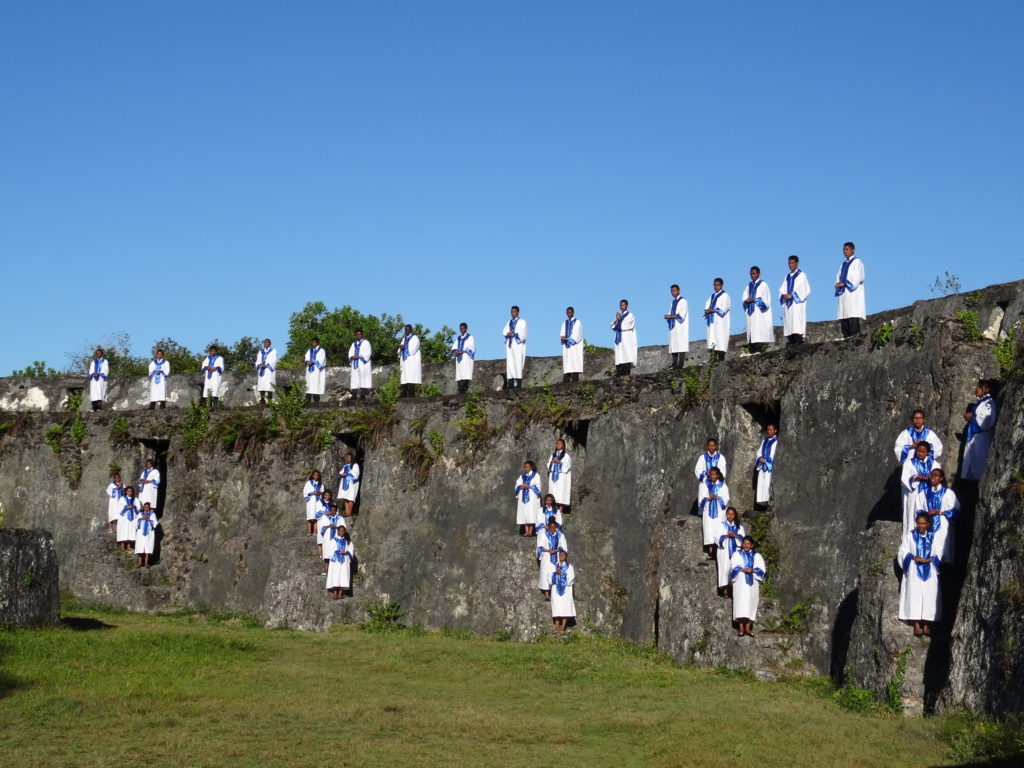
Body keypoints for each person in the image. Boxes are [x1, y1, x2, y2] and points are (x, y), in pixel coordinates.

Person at [898, 512, 946, 636]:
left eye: (923, 523)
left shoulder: (934, 536)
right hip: (914, 569)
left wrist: (927, 560)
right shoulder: (910, 536)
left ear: (928, 524)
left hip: (930, 569)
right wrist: (912, 557)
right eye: (918, 523)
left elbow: (939, 552)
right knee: (914, 595)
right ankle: (916, 624)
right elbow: (902, 551)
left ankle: (926, 624)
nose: (920, 526)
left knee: (929, 595)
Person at [917, 468, 959, 563]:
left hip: (943, 524)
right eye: (932, 475)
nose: (933, 477)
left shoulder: (948, 493)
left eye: (936, 475)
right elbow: (918, 509)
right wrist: (926, 514)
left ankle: (944, 566)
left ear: (941, 478)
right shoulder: (923, 493)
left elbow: (956, 509)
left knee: (943, 548)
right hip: (928, 525)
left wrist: (940, 512)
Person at [730, 536, 767, 637]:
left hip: (752, 583)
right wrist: (743, 569)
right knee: (740, 603)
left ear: (752, 545)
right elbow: (734, 567)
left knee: (751, 602)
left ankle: (748, 627)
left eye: (748, 543)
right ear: (741, 544)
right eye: (744, 543)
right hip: (740, 582)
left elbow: (762, 569)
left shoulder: (757, 556)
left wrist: (753, 570)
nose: (746, 545)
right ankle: (741, 627)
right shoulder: (736, 554)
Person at [961, 379, 997, 480]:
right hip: (976, 436)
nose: (976, 389)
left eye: (979, 387)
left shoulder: (989, 403)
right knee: (973, 459)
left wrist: (972, 417)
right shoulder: (982, 402)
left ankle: (978, 482)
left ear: (986, 389)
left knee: (980, 460)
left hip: (982, 437)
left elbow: (987, 420)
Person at [900, 442, 939, 533]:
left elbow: (938, 477)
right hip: (914, 492)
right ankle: (911, 535)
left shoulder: (934, 464)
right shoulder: (909, 463)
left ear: (928, 452)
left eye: (923, 451)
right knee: (912, 513)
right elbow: (904, 478)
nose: (920, 453)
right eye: (918, 451)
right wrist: (915, 478)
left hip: (928, 491)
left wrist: (930, 479)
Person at [835, 242, 866, 338]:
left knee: (852, 315)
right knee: (844, 318)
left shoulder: (857, 262)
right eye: (844, 249)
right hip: (843, 294)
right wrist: (837, 283)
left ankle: (855, 339)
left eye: (847, 249)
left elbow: (857, 278)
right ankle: (846, 337)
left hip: (852, 295)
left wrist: (844, 283)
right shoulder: (843, 264)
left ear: (853, 250)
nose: (845, 251)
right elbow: (838, 276)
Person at [699, 467, 730, 560]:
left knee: (718, 530)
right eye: (711, 475)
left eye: (714, 475)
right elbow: (701, 500)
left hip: (719, 513)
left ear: (718, 475)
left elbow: (726, 499)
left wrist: (716, 498)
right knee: (709, 532)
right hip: (708, 513)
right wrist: (708, 498)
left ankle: (718, 553)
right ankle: (711, 553)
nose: (712, 476)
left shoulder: (723, 486)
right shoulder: (705, 485)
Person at [779, 255, 811, 344]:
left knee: (796, 322)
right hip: (788, 305)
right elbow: (781, 289)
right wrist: (784, 295)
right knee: (789, 323)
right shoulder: (787, 277)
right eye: (789, 263)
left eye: (792, 263)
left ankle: (798, 339)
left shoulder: (801, 275)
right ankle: (791, 340)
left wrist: (792, 295)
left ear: (797, 263)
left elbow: (805, 289)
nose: (790, 265)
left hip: (797, 304)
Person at [742, 266, 773, 353]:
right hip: (751, 313)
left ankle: (759, 349)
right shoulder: (748, 286)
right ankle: (752, 349)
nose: (752, 275)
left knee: (759, 331)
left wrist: (754, 300)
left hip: (759, 313)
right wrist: (746, 300)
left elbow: (766, 301)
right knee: (751, 332)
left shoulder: (763, 285)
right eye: (751, 274)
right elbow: (744, 299)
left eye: (754, 273)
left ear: (758, 274)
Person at [716, 507, 745, 597]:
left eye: (732, 514)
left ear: (734, 515)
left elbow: (743, 539)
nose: (730, 516)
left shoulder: (739, 527)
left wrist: (735, 535)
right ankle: (724, 590)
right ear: (726, 515)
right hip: (724, 551)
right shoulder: (721, 526)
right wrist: (727, 535)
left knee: (734, 568)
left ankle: (733, 589)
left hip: (736, 550)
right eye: (729, 514)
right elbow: (717, 537)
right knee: (725, 569)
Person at [536, 518, 568, 599]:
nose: (553, 529)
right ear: (549, 527)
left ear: (556, 527)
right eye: (551, 528)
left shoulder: (560, 535)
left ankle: (553, 593)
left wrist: (556, 550)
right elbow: (539, 546)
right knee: (545, 574)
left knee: (555, 573)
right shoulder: (543, 534)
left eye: (554, 528)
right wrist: (548, 550)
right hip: (546, 557)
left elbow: (563, 546)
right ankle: (546, 594)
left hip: (557, 556)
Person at [549, 550, 576, 636]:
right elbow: (549, 578)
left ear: (566, 557)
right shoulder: (554, 566)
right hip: (556, 590)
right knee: (556, 607)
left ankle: (563, 627)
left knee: (565, 608)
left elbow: (571, 578)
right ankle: (557, 627)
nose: (561, 556)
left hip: (566, 590)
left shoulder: (569, 567)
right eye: (560, 555)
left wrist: (561, 574)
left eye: (563, 555)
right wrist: (555, 574)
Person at [703, 278, 731, 361]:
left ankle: (721, 357)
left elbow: (724, 309)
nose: (716, 286)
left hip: (720, 321)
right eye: (714, 285)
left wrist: (713, 310)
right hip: (712, 321)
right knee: (712, 338)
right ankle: (713, 358)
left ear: (721, 285)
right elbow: (707, 305)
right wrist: (707, 310)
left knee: (720, 337)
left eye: (717, 285)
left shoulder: (725, 295)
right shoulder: (712, 296)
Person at [325, 523, 354, 600]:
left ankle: (340, 592)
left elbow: (350, 551)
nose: (341, 532)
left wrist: (346, 552)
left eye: (342, 530)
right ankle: (335, 592)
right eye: (340, 530)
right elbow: (329, 551)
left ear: (344, 532)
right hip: (336, 560)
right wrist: (336, 552)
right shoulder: (333, 541)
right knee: (336, 575)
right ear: (337, 531)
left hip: (344, 560)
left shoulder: (347, 542)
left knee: (343, 576)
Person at [514, 460, 542, 537]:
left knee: (531, 513)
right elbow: (517, 485)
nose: (525, 468)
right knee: (524, 513)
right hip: (523, 497)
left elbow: (538, 487)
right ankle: (526, 531)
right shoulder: (522, 476)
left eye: (527, 467)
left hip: (532, 498)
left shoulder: (536, 476)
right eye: (525, 467)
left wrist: (529, 486)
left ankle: (531, 531)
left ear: (531, 467)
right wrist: (521, 486)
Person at [502, 306, 528, 388]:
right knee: (510, 362)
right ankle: (511, 382)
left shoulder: (522, 322)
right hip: (510, 344)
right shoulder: (509, 322)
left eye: (514, 312)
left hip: (517, 344)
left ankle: (518, 382)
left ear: (518, 312)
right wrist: (508, 333)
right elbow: (504, 331)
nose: (512, 313)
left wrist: (513, 333)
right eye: (511, 312)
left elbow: (523, 333)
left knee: (518, 361)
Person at [664, 284, 689, 369]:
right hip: (673, 326)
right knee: (674, 344)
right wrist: (667, 316)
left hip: (680, 326)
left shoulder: (683, 301)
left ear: (678, 291)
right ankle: (674, 364)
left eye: (674, 290)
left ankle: (680, 365)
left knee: (681, 345)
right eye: (671, 291)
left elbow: (682, 315)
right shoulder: (673, 302)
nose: (673, 292)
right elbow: (670, 312)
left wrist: (671, 316)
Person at [611, 299, 637, 376]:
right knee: (619, 354)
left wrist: (619, 319)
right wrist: (617, 319)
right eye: (620, 305)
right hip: (619, 337)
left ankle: (626, 372)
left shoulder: (630, 315)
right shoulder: (619, 316)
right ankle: (619, 372)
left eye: (623, 305)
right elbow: (613, 326)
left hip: (626, 337)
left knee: (626, 353)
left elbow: (626, 325)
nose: (621, 307)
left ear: (627, 306)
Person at [754, 424, 778, 508]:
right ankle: (761, 503)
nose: (768, 432)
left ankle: (767, 502)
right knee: (761, 483)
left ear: (775, 430)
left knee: (768, 484)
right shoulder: (764, 441)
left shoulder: (776, 441)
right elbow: (759, 452)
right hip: (762, 465)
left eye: (771, 430)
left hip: (770, 466)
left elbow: (774, 454)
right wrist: (760, 458)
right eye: (768, 430)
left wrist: (767, 461)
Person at [547, 439, 572, 515]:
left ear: (563, 446)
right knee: (553, 493)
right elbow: (548, 466)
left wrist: (559, 462)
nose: (558, 445)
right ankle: (553, 510)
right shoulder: (553, 455)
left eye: (560, 443)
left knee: (561, 493)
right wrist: (552, 462)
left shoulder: (566, 456)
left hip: (561, 478)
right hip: (554, 477)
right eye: (557, 443)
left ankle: (560, 511)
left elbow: (567, 467)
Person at [320, 503, 345, 575]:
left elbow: (343, 528)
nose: (332, 512)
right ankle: (326, 570)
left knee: (334, 553)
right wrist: (328, 526)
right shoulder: (326, 517)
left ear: (336, 511)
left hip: (336, 539)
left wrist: (335, 526)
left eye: (334, 510)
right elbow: (322, 528)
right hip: (327, 539)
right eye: (331, 510)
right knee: (326, 554)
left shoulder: (340, 518)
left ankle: (333, 571)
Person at [560, 307, 584, 382]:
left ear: (573, 312)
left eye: (570, 312)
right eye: (567, 312)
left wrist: (567, 339)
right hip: (566, 347)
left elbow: (577, 336)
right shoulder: (564, 323)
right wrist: (563, 338)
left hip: (574, 347)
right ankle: (566, 379)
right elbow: (562, 334)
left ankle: (575, 379)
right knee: (567, 362)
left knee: (574, 361)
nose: (569, 314)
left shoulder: (577, 322)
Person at [397, 324, 421, 398]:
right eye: (405, 330)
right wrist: (400, 348)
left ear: (411, 330)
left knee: (411, 377)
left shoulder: (415, 338)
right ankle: (403, 393)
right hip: (404, 361)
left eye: (407, 330)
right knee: (404, 377)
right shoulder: (404, 339)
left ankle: (411, 394)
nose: (406, 331)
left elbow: (412, 350)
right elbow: (399, 350)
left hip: (411, 361)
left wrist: (404, 347)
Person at [450, 323, 475, 393]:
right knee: (459, 374)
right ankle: (460, 390)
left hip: (466, 358)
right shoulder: (458, 338)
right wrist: (456, 351)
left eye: (463, 328)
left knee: (465, 373)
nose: (462, 330)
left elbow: (471, 348)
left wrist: (462, 351)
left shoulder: (470, 337)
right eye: (460, 328)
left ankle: (465, 389)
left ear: (466, 328)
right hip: (459, 359)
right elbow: (454, 347)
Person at [348, 329, 372, 400]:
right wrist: (352, 356)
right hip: (355, 363)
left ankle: (363, 395)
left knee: (363, 378)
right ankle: (354, 395)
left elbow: (368, 353)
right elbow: (350, 352)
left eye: (359, 334)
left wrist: (359, 357)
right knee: (354, 378)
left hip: (362, 364)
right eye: (357, 335)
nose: (358, 336)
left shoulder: (366, 343)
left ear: (362, 335)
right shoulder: (353, 344)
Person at [134, 502, 159, 568]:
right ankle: (140, 562)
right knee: (140, 547)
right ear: (143, 508)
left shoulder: (152, 514)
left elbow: (155, 523)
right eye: (145, 507)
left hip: (149, 534)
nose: (146, 508)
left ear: (149, 508)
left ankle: (146, 563)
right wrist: (141, 519)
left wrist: (148, 519)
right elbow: (136, 523)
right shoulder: (140, 514)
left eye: (147, 507)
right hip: (141, 534)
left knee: (148, 548)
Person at [337, 453, 360, 518]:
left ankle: (349, 512)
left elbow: (355, 475)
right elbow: (341, 472)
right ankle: (346, 512)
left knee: (350, 498)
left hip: (352, 484)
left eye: (348, 458)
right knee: (345, 498)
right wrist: (341, 474)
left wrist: (346, 474)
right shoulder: (345, 465)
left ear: (351, 458)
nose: (347, 459)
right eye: (346, 458)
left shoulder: (355, 465)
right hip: (345, 483)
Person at [255, 338, 277, 405]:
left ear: (270, 343)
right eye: (264, 342)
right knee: (262, 385)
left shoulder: (273, 351)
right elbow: (258, 360)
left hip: (268, 370)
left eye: (267, 342)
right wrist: (260, 365)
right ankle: (262, 400)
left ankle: (270, 401)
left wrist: (267, 365)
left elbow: (274, 360)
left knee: (269, 385)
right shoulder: (261, 351)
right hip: (262, 370)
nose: (266, 344)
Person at [304, 338, 326, 403]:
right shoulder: (309, 350)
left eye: (315, 342)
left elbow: (322, 360)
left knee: (316, 383)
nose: (313, 344)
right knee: (309, 383)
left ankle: (316, 399)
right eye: (312, 342)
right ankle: (307, 399)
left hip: (316, 370)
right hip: (309, 369)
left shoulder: (321, 350)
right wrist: (307, 362)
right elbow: (306, 358)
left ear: (317, 343)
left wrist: (313, 362)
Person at [303, 470, 324, 536]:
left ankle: (315, 531)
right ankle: (309, 531)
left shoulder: (320, 484)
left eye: (317, 475)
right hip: (311, 501)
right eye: (315, 475)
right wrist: (312, 493)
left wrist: (319, 493)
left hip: (318, 501)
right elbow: (305, 492)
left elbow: (323, 492)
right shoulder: (308, 483)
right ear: (312, 475)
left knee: (316, 516)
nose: (316, 476)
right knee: (310, 516)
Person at [117, 487, 139, 551]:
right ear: (126, 492)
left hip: (132, 516)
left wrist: (134, 507)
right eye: (128, 491)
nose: (130, 492)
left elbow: (138, 506)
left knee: (131, 530)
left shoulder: (135, 499)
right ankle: (122, 545)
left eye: (131, 491)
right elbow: (119, 507)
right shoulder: (122, 499)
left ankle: (129, 546)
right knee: (123, 530)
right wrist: (126, 507)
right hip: (124, 517)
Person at [315, 490, 334, 560]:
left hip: (330, 522)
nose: (327, 497)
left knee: (328, 539)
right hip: (322, 522)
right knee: (320, 538)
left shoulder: (332, 503)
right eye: (326, 495)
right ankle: (320, 554)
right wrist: (325, 512)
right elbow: (317, 513)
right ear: (323, 495)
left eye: (329, 495)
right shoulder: (319, 502)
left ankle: (327, 553)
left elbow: (335, 512)